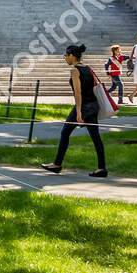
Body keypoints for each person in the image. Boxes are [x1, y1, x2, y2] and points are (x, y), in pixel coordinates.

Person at [39, 43, 109, 177]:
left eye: (66, 55)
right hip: (93, 105)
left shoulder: (75, 71)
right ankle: (102, 168)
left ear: (71, 56)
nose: (65, 58)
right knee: (96, 137)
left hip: (83, 107)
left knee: (65, 132)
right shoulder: (88, 68)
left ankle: (57, 164)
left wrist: (78, 113)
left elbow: (78, 93)